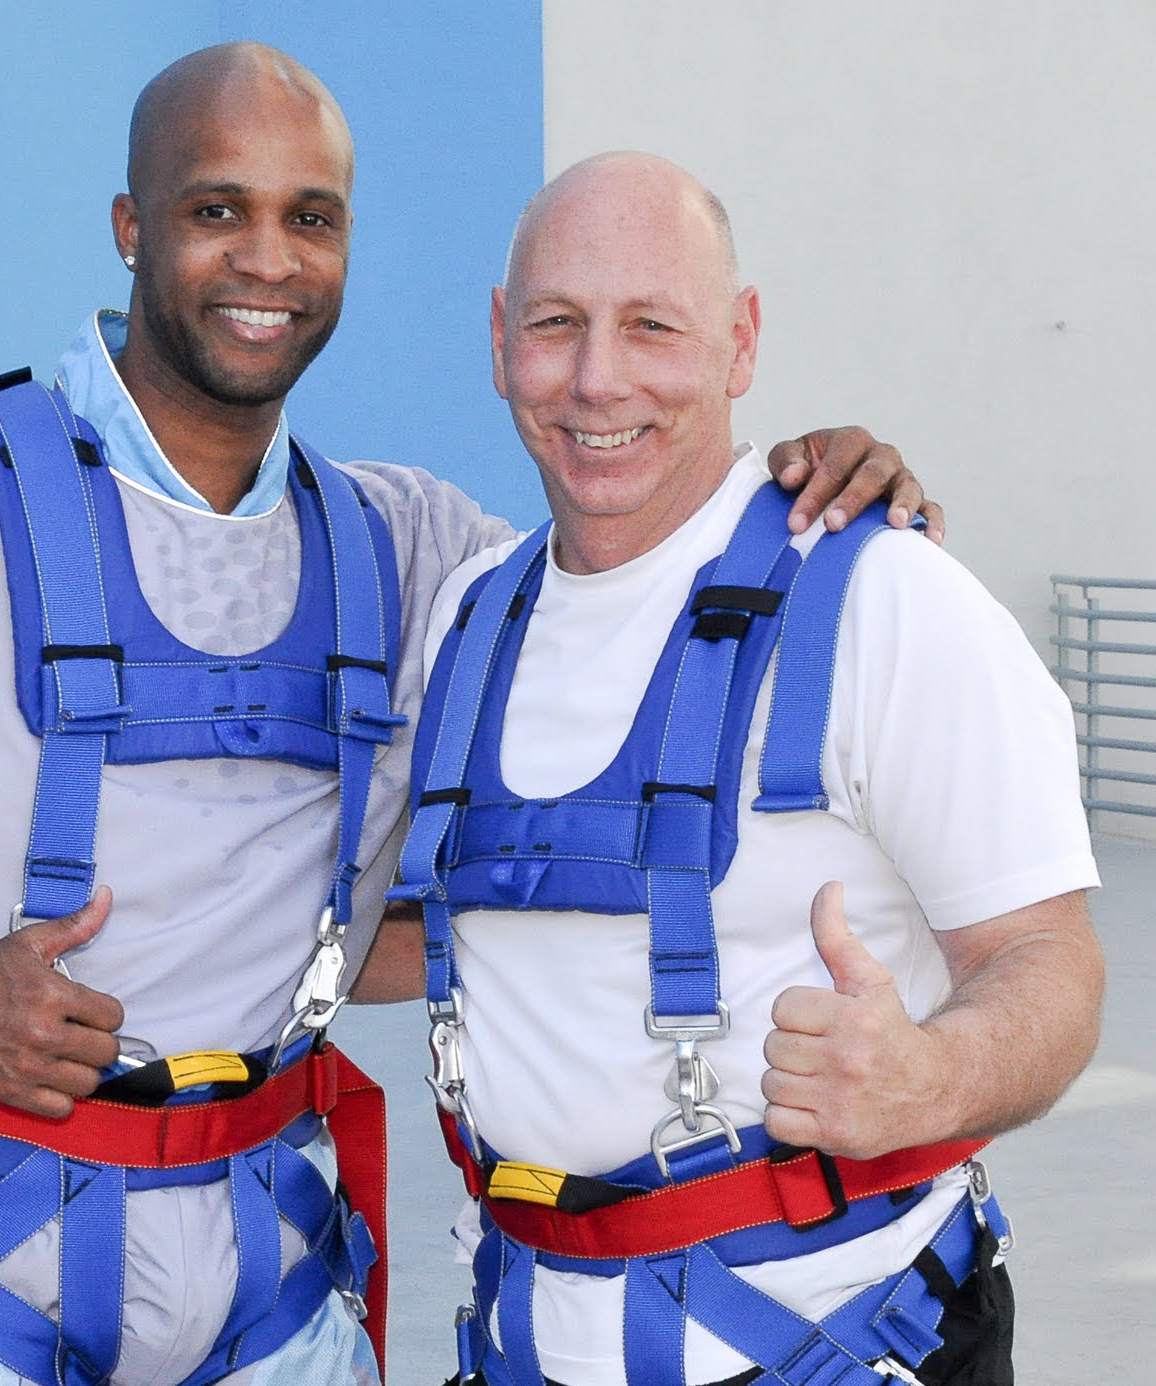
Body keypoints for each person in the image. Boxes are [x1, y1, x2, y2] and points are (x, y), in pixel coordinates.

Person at [0, 44, 929, 1386]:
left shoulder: (407, 551)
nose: (268, 260)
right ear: (131, 227)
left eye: (311, 218)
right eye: (215, 209)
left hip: (278, 1296)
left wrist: (803, 503)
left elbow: (634, 606)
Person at [380, 151, 1104, 1386]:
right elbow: (449, 928)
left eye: (652, 326)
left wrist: (928, 1075)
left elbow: (1051, 967)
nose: (597, 378)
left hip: (843, 1346)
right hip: (520, 1341)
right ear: (501, 340)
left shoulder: (883, 601)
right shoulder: (468, 616)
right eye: (556, 324)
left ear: (739, 341)